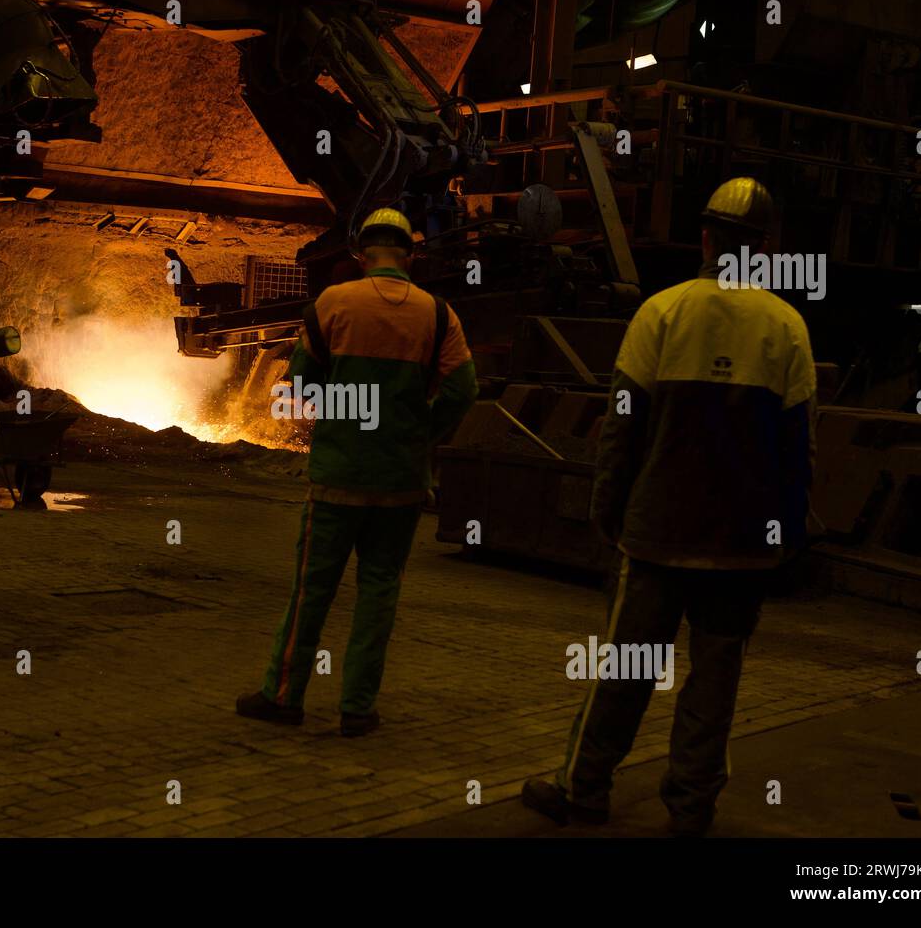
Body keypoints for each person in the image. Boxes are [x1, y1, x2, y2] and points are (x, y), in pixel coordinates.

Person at [521, 177, 817, 836]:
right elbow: (798, 452)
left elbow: (621, 427)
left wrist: (608, 510)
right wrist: (787, 536)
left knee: (624, 670)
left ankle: (584, 788)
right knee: (714, 684)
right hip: (741, 544)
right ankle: (690, 807)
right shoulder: (787, 329)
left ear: (706, 237)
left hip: (656, 532)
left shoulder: (661, 313)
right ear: (763, 248)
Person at [236, 208, 479, 737]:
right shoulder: (439, 314)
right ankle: (358, 709)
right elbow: (464, 390)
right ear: (410, 255)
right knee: (379, 592)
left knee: (312, 589)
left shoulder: (332, 304)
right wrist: (420, 436)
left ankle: (284, 697)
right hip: (401, 483)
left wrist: (343, 415)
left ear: (360, 254)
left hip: (336, 478)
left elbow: (301, 386)